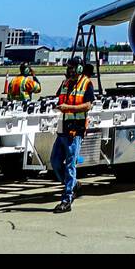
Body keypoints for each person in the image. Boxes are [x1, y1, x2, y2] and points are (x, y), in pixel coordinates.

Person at [50, 57, 95, 213]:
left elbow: (88, 105)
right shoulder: (65, 83)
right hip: (62, 129)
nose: (69, 70)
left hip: (75, 130)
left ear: (80, 69)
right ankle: (74, 184)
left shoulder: (86, 83)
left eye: (72, 67)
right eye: (68, 67)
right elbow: (58, 97)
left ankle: (67, 199)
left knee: (70, 165)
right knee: (55, 161)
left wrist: (68, 107)